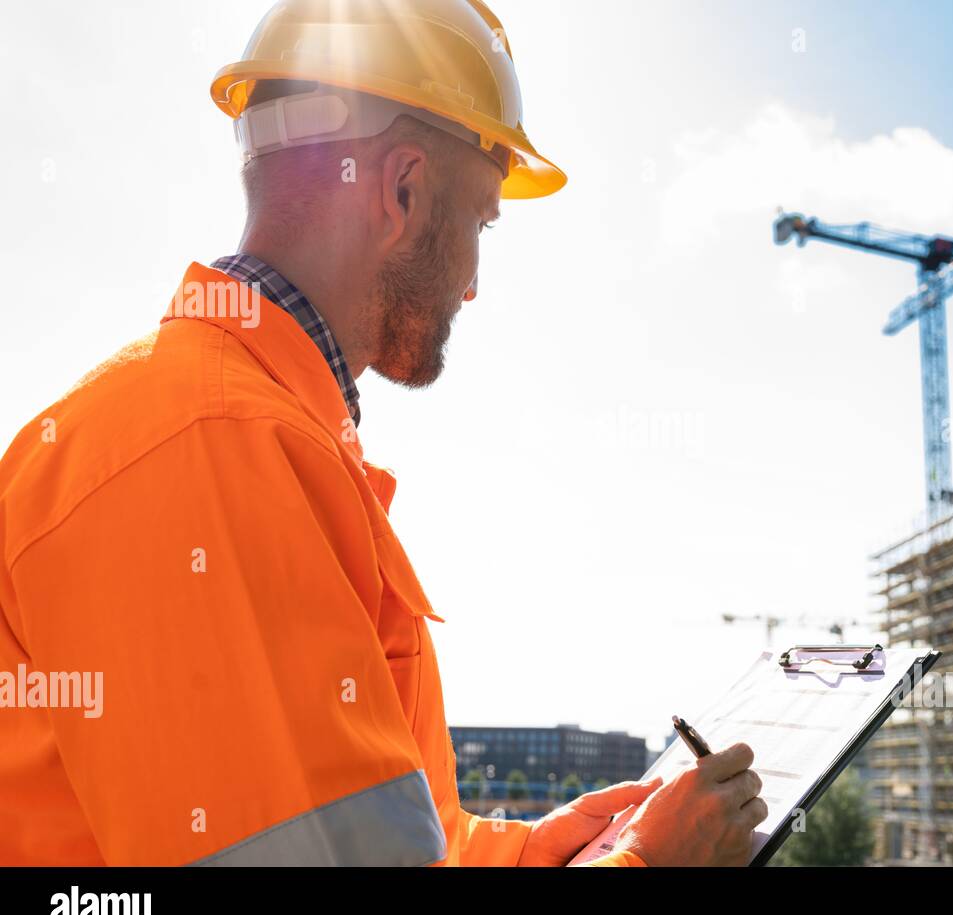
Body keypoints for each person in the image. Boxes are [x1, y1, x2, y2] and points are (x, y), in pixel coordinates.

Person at [0, 0, 766, 866]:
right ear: (401, 191)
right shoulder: (213, 451)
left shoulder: (243, 431)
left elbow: (372, 840)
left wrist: (528, 854)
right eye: (482, 223)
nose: (473, 285)